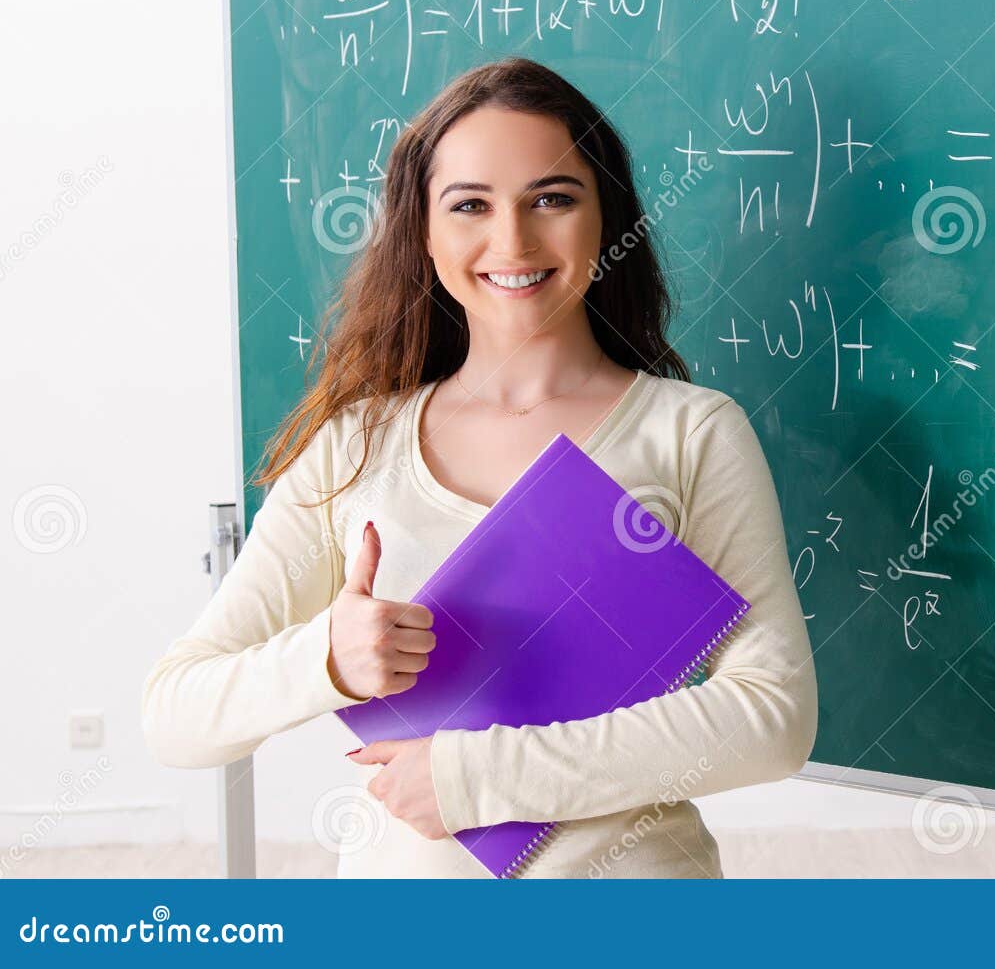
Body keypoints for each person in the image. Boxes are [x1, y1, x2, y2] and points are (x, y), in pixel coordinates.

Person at [142, 57, 818, 877]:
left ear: (606, 217)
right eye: (470, 205)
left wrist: (476, 777)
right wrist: (327, 656)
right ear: (422, 232)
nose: (514, 241)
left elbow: (773, 716)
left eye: (553, 199)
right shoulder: (357, 446)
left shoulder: (691, 433)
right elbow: (176, 715)